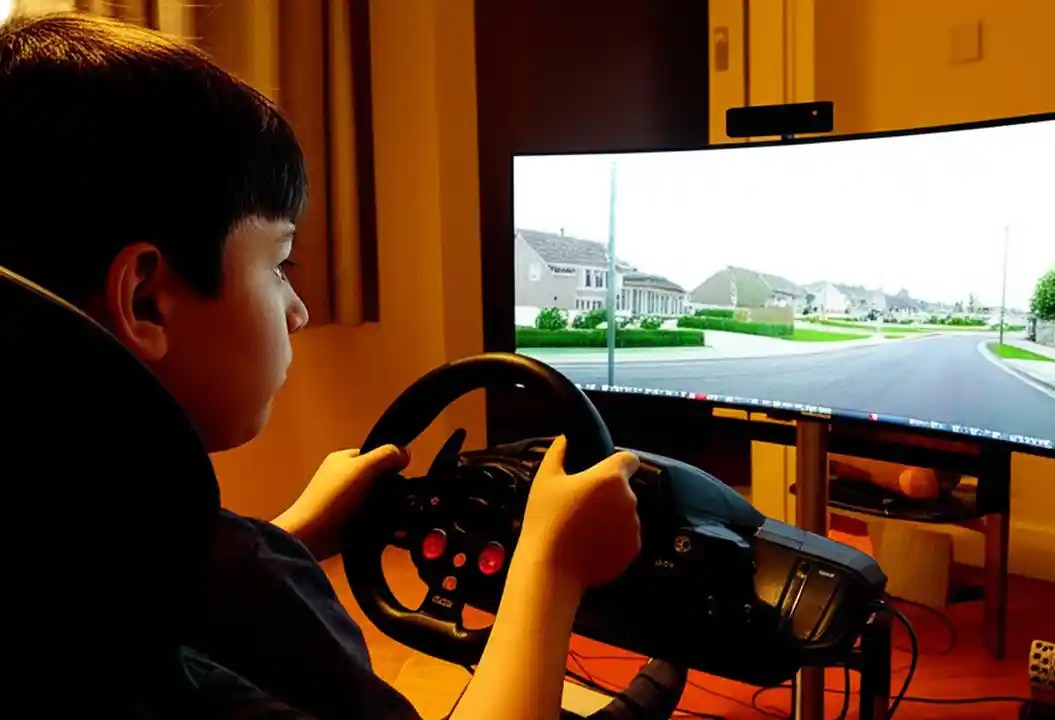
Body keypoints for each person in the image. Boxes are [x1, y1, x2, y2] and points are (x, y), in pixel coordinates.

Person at [0, 12, 684, 720]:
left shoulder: (68, 533)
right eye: (279, 264)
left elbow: (176, 593)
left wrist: (292, 534)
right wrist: (553, 564)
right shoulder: (200, 641)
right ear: (147, 301)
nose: (296, 308)